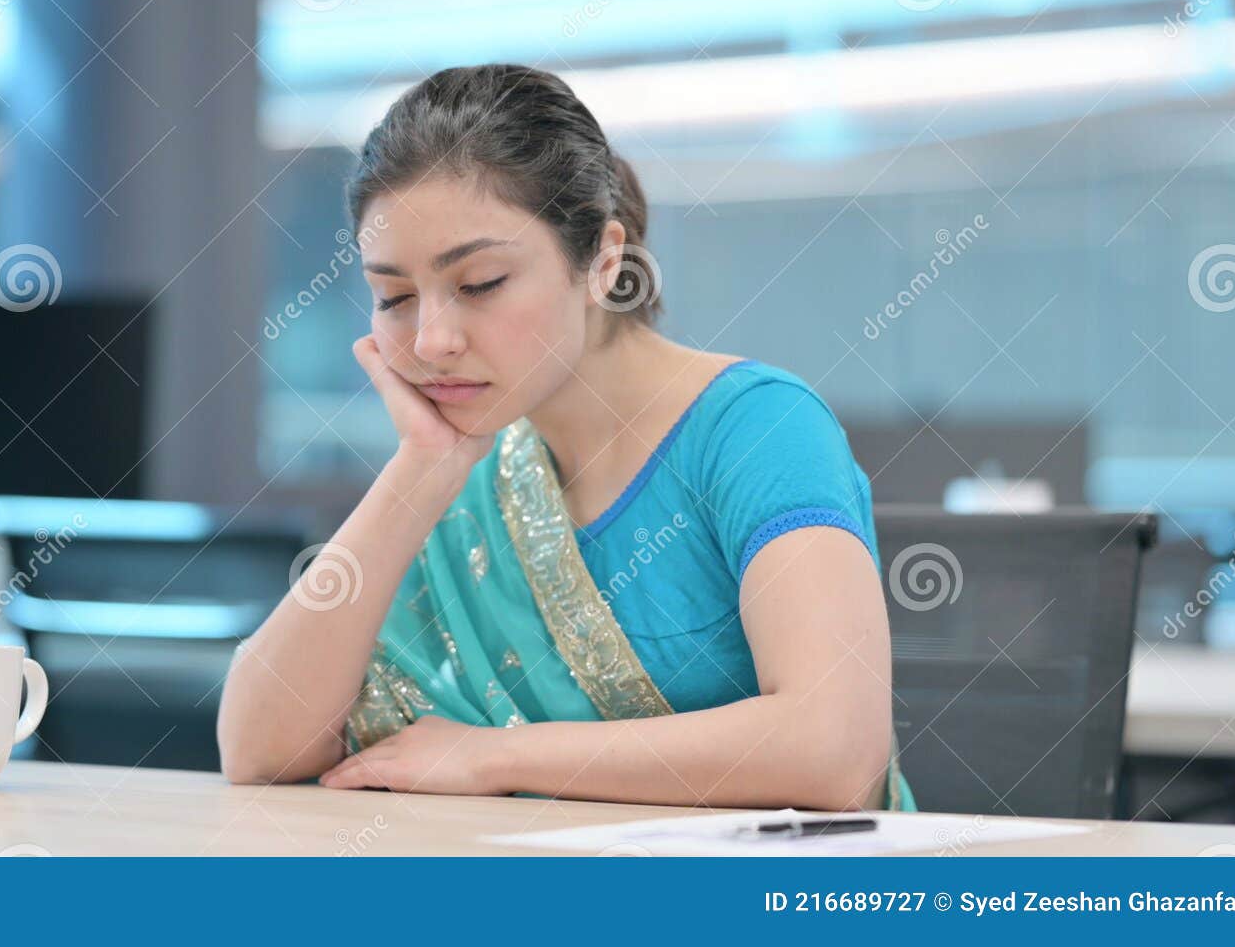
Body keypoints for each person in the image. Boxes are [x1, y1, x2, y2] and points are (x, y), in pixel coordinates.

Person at [218, 64, 915, 811]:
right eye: (393, 297)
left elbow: (835, 749)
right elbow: (259, 746)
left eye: (480, 283)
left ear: (603, 261)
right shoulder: (475, 470)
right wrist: (419, 469)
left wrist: (496, 758)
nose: (432, 339)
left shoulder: (759, 429)